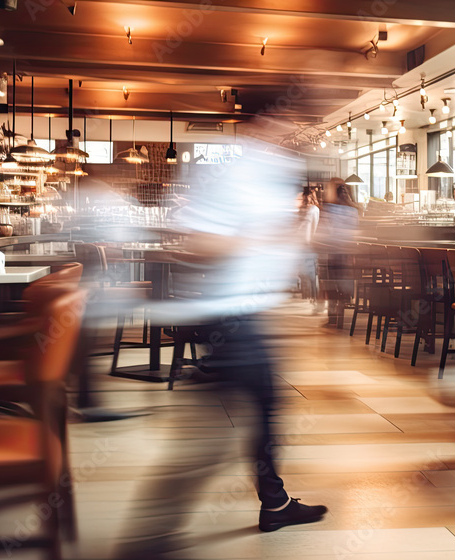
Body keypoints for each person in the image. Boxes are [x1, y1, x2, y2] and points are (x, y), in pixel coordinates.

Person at [116, 143, 327, 558]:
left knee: (264, 410)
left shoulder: (273, 168)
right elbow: (201, 243)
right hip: (231, 316)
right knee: (212, 437)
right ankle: (147, 538)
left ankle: (275, 502)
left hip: (247, 314)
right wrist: (266, 235)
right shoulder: (239, 169)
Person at [315, 178, 360, 326]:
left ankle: (333, 318)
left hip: (332, 253)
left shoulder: (329, 209)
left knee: (331, 286)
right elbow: (354, 233)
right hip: (347, 254)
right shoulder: (353, 211)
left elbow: (323, 232)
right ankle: (341, 313)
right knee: (341, 286)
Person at [297, 188, 321, 311]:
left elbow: (312, 227)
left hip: (307, 244)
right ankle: (311, 297)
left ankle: (313, 297)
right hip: (305, 244)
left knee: (310, 273)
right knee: (307, 272)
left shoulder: (312, 210)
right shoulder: (308, 210)